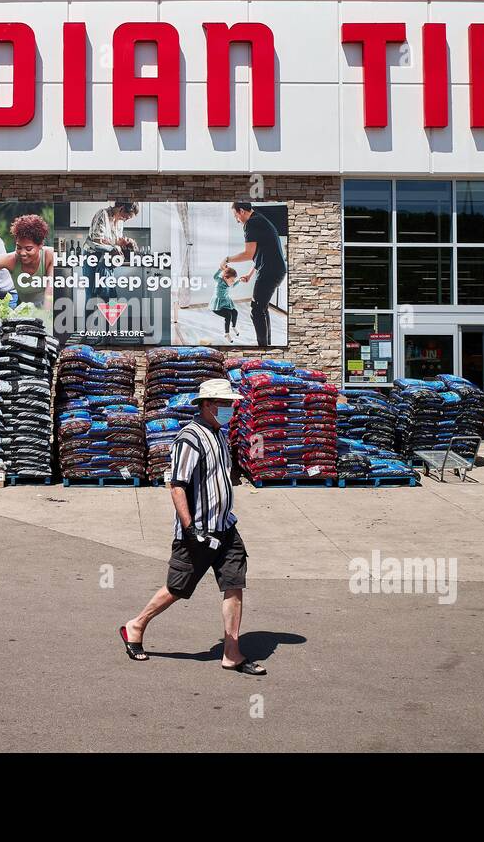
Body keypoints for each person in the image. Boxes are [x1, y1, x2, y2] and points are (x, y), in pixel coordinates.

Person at [118, 378, 265, 676]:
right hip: (198, 531)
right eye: (226, 404)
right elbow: (177, 485)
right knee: (177, 588)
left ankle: (232, 653)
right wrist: (189, 528)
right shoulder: (190, 438)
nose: (230, 409)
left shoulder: (219, 434)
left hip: (225, 527)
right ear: (209, 405)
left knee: (234, 584)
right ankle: (136, 625)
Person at [0, 213, 57, 319]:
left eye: (28, 249)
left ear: (40, 245)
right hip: (26, 314)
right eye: (18, 247)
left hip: (51, 312)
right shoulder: (11, 260)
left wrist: (45, 319)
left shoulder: (50, 255)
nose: (22, 253)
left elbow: (50, 293)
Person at [225, 202, 287, 347]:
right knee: (262, 308)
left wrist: (227, 259)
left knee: (256, 309)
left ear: (241, 211)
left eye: (236, 216)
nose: (237, 220)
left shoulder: (251, 223)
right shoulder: (260, 219)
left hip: (270, 271)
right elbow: (260, 253)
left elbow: (248, 254)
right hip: (274, 269)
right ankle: (266, 344)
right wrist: (249, 274)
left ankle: (263, 347)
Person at [83, 201, 138, 326]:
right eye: (126, 216)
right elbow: (97, 240)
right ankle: (87, 331)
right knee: (91, 295)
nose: (126, 220)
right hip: (92, 256)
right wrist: (114, 247)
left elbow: (110, 241)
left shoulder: (120, 223)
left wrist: (116, 246)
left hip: (106, 260)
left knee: (109, 294)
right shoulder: (103, 214)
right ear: (122, 209)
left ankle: (108, 328)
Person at [211, 263, 243, 341]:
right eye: (232, 280)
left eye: (234, 280)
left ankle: (233, 327)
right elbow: (215, 277)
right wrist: (221, 269)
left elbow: (233, 285)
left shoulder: (229, 283)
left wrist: (239, 280)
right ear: (225, 278)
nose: (233, 281)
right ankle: (226, 333)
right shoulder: (220, 281)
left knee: (235, 312)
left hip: (226, 303)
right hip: (217, 305)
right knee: (228, 316)